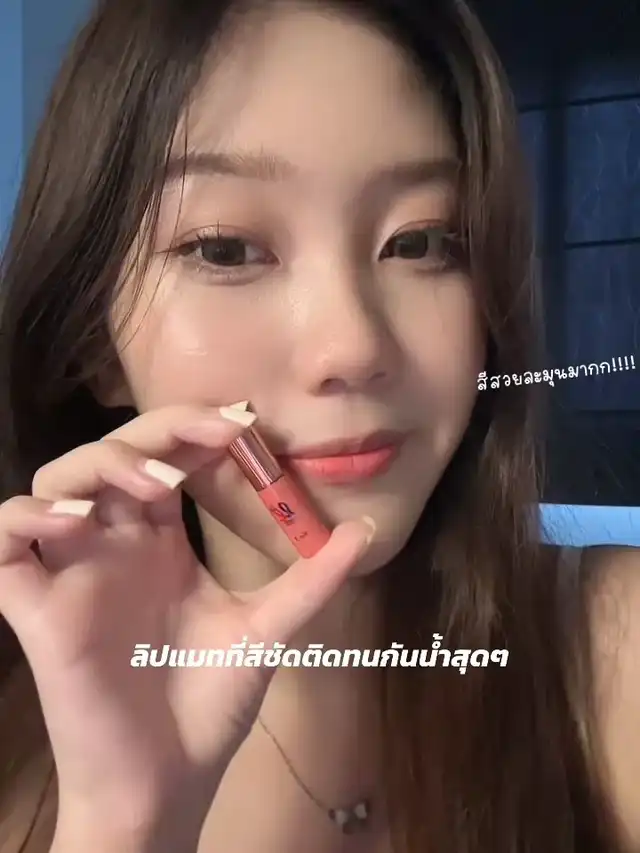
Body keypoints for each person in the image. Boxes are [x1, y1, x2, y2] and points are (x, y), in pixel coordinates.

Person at [0, 0, 638, 850]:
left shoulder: (613, 645)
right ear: (94, 346)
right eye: (226, 248)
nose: (354, 346)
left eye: (421, 242)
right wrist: (123, 821)